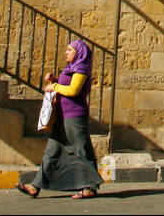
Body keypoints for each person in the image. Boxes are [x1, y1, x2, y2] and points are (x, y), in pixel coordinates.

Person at [17, 38, 103, 199]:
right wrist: (54, 80)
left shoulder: (81, 69)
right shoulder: (71, 68)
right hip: (62, 115)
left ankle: (90, 187)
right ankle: (35, 185)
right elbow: (65, 87)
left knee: (81, 149)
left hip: (74, 116)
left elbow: (73, 91)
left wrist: (54, 86)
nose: (66, 52)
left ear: (79, 53)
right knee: (51, 151)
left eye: (70, 50)